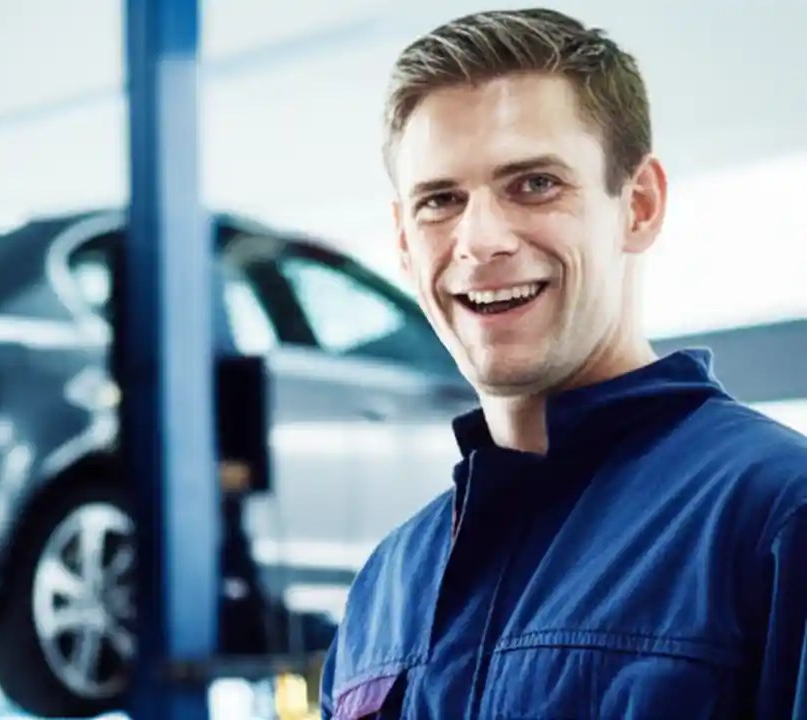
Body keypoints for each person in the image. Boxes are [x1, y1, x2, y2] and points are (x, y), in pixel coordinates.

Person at [319, 8, 807, 719]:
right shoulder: (385, 590)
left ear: (639, 205)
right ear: (402, 240)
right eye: (441, 200)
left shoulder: (775, 516)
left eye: (535, 184)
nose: (480, 240)